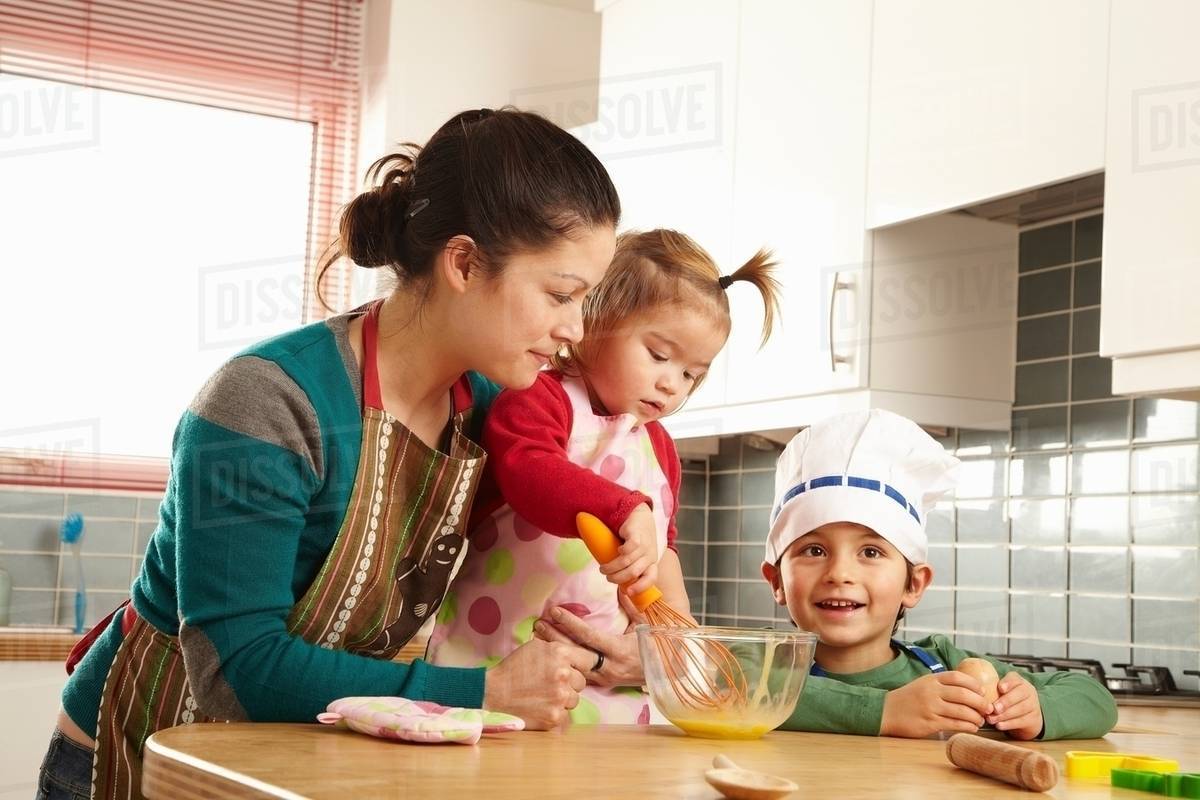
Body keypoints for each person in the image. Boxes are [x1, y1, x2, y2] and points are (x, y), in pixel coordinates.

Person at [37, 108, 623, 800]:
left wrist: (627, 643)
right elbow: (236, 670)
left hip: (296, 760)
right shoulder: (266, 402)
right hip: (142, 752)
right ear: (463, 263)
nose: (574, 331)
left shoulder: (491, 414)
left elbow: (575, 511)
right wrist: (485, 690)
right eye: (561, 294)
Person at [426, 229, 780, 723]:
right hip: (500, 661)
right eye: (658, 355)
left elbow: (664, 552)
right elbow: (531, 472)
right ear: (594, 320)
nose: (669, 383)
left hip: (605, 688)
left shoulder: (659, 448)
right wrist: (622, 506)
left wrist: (676, 642)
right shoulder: (538, 399)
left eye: (690, 375)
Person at [762, 409, 1118, 739]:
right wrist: (885, 711)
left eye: (870, 552)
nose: (839, 573)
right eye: (814, 551)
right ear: (777, 580)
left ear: (914, 584)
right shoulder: (754, 660)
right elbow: (737, 691)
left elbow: (1094, 697)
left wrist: (1037, 710)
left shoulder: (945, 664)